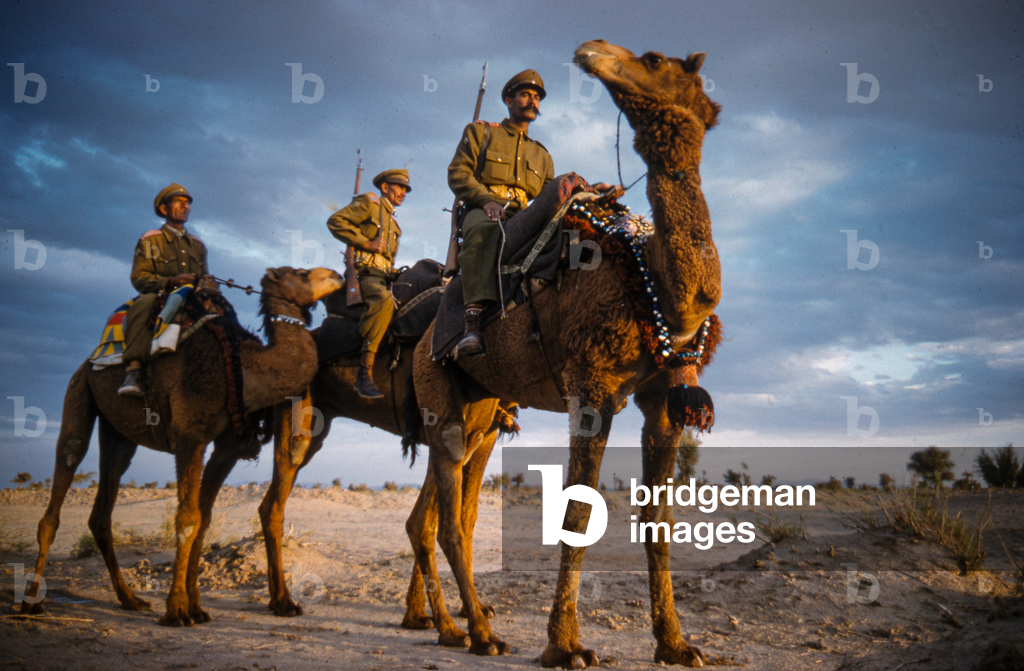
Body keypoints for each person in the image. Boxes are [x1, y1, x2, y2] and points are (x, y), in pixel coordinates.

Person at [447, 70, 555, 356]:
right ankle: (472, 321)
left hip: (523, 215)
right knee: (486, 230)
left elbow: (549, 195)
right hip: (484, 210)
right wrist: (484, 200)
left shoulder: (542, 155)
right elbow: (458, 174)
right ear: (509, 100)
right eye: (525, 95)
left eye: (536, 97)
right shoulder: (482, 132)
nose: (532, 101)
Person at [118, 184, 209, 397]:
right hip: (160, 293)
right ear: (164, 208)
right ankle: (133, 370)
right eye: (178, 201)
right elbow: (140, 278)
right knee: (143, 305)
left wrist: (209, 285)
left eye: (187, 202)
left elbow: (204, 276)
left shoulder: (198, 245)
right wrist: (171, 281)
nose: (185, 206)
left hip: (193, 297)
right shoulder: (151, 239)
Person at [327, 168, 410, 399]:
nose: (403, 192)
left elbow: (386, 258)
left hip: (385, 275)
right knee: (383, 302)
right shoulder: (370, 203)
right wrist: (365, 242)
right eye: (399, 186)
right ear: (385, 187)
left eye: (406, 189)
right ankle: (364, 373)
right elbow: (336, 221)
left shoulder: (393, 223)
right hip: (367, 275)